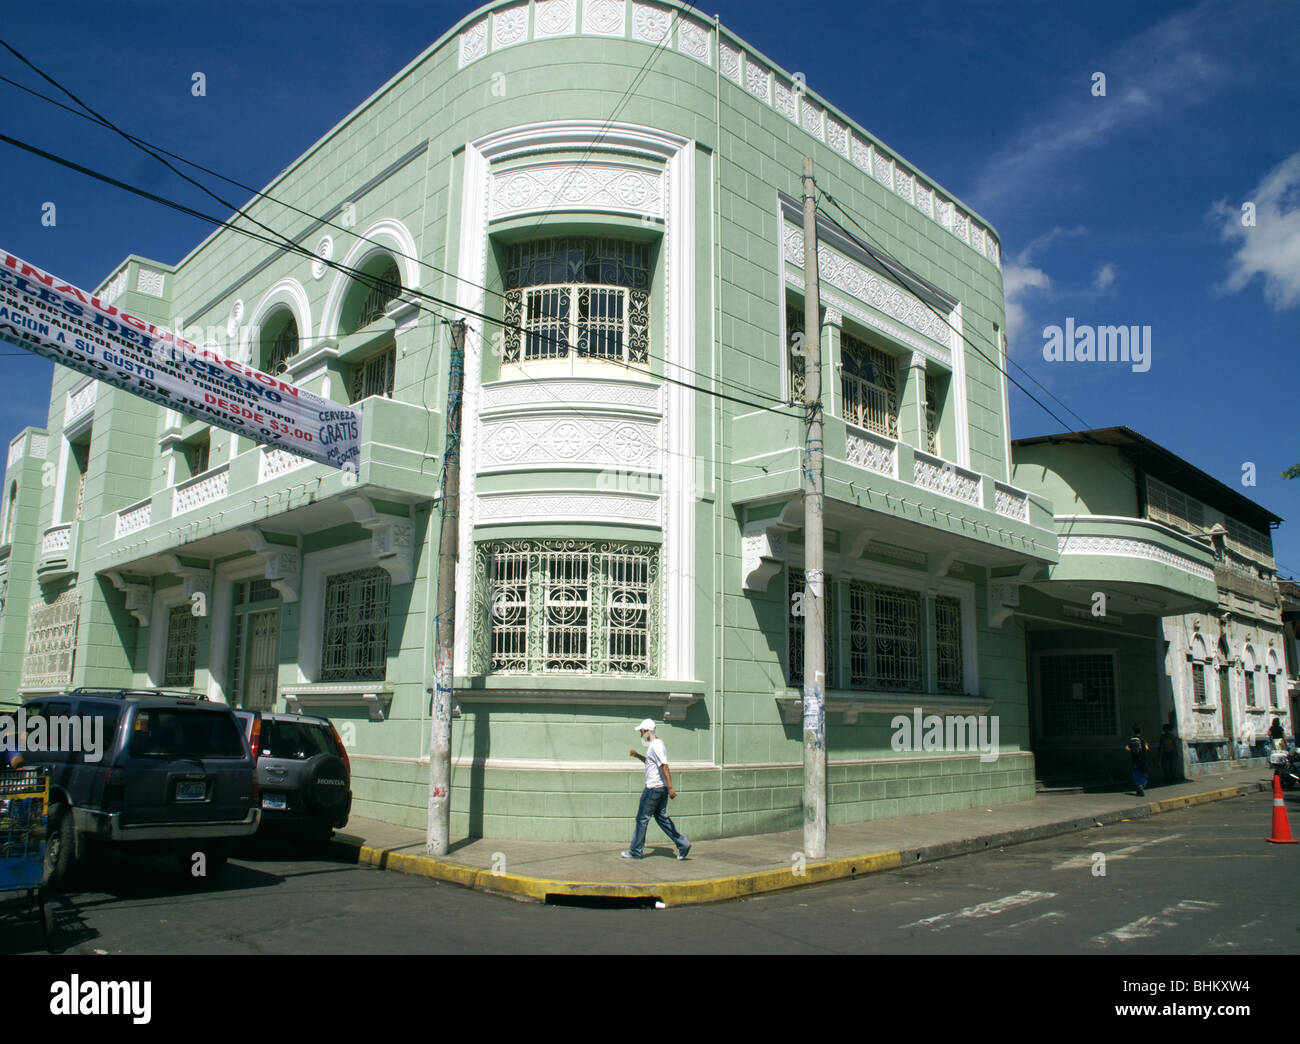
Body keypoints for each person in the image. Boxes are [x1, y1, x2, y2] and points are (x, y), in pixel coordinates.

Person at [622, 719, 690, 861]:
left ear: (647, 731)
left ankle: (635, 852)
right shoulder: (654, 745)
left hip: (653, 789)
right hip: (660, 789)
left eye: (641, 732)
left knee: (642, 819)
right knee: (661, 818)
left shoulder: (657, 745)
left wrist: (670, 788)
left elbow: (664, 766)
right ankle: (683, 844)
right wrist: (637, 755)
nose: (641, 735)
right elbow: (650, 762)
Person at [1125, 723, 1149, 797]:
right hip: (1142, 758)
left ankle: (1138, 785)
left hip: (1134, 758)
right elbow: (1147, 748)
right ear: (1140, 731)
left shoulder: (1131, 739)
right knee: (1144, 772)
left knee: (1136, 772)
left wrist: (1133, 751)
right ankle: (1142, 784)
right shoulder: (1142, 739)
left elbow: (1127, 748)